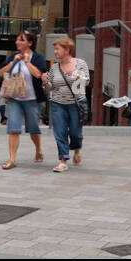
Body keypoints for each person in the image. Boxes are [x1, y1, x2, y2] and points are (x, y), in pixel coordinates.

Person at [0, 31, 47, 169]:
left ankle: (38, 150)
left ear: (30, 43)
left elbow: (38, 74)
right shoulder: (13, 56)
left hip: (32, 99)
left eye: (21, 40)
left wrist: (26, 61)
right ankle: (12, 160)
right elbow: (1, 72)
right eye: (17, 39)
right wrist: (13, 62)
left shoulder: (38, 57)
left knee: (33, 129)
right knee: (13, 128)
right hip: (15, 99)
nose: (17, 42)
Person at [43, 38, 89, 171]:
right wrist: (46, 83)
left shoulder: (80, 64)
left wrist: (77, 77)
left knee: (75, 132)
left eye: (57, 49)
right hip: (57, 104)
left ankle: (77, 147)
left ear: (67, 50)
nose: (55, 51)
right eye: (55, 49)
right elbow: (49, 89)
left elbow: (86, 83)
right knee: (60, 132)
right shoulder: (54, 67)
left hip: (76, 103)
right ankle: (63, 160)